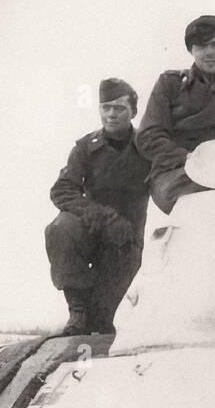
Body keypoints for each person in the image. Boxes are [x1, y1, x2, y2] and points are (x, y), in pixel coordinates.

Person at [45, 78, 151, 335]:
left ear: (133, 112)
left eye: (119, 108)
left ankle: (95, 316)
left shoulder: (147, 147)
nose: (111, 114)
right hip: (91, 231)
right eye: (106, 107)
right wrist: (104, 218)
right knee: (59, 228)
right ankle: (77, 311)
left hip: (125, 243)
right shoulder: (85, 148)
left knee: (102, 322)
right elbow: (62, 190)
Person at [137, 15, 215, 214]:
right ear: (191, 50)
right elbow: (149, 136)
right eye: (201, 46)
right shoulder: (170, 84)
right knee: (206, 205)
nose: (209, 52)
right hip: (177, 172)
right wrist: (190, 157)